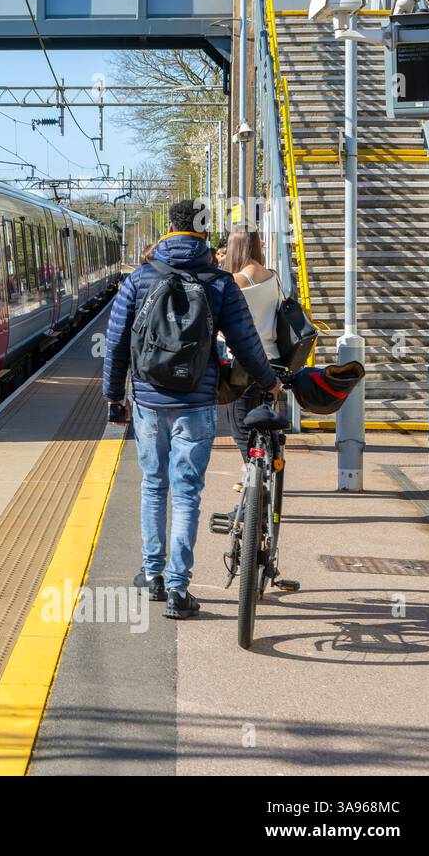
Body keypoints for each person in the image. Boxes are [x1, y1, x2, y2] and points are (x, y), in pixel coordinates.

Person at [103, 200, 280, 620]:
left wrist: (115, 397)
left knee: (153, 485)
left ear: (169, 228)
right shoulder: (219, 283)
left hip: (148, 400)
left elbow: (115, 343)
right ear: (205, 231)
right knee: (186, 492)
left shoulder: (141, 278)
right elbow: (246, 343)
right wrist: (269, 382)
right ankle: (180, 590)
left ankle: (152, 577)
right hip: (196, 404)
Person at [221, 225, 284, 484]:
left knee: (239, 423)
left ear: (234, 248)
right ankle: (271, 461)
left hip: (244, 362)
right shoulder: (274, 276)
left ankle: (252, 474)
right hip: (275, 359)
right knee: (266, 418)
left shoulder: (235, 281)